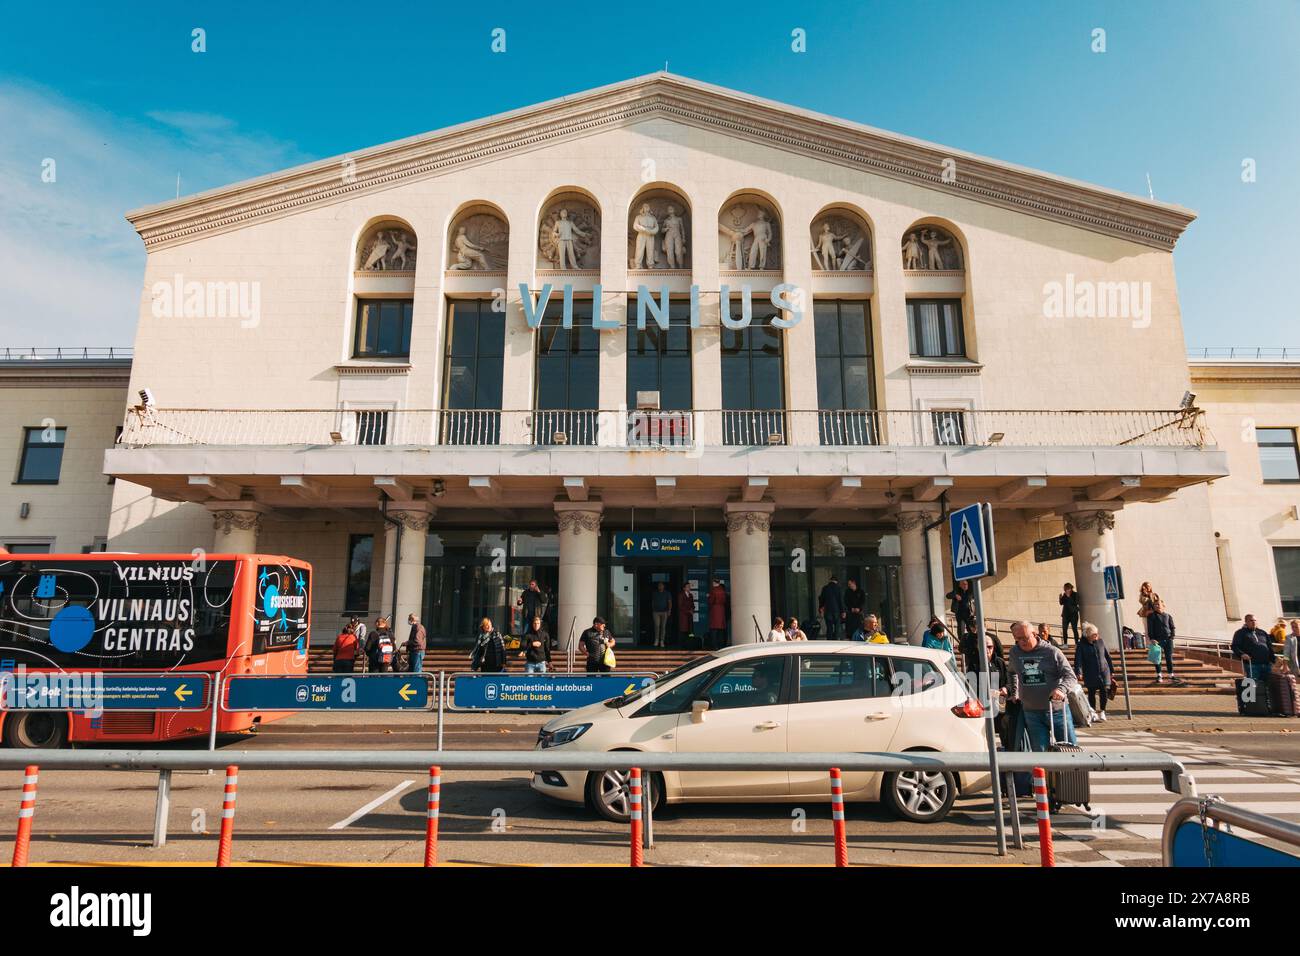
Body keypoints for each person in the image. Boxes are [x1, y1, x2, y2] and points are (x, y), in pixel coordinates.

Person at [1008, 620, 1078, 750]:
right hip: (1031, 712)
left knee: (1070, 751)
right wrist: (1014, 692)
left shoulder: (1052, 652)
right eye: (1018, 639)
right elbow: (1012, 672)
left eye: (1025, 638)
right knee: (1040, 754)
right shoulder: (1014, 653)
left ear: (1034, 634)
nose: (1022, 642)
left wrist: (1061, 689)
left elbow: (1071, 676)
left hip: (1057, 711)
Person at [1073, 622, 1115, 721]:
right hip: (1090, 672)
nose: (1097, 636)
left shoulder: (1101, 642)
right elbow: (1078, 660)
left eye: (1097, 634)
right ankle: (1093, 712)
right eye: (1094, 634)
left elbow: (1107, 656)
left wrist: (1112, 670)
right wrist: (1079, 672)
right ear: (1088, 635)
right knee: (1091, 693)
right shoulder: (1081, 645)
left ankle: (1102, 711)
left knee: (1104, 691)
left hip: (1104, 671)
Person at [1232, 613, 1277, 686]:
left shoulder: (1262, 632)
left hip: (1266, 664)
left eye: (1255, 620)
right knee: (1254, 687)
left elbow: (1269, 647)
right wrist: (1242, 654)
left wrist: (1274, 660)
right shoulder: (1240, 633)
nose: (1254, 622)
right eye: (1251, 620)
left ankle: (1267, 698)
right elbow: (1235, 646)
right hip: (1252, 665)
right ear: (1246, 622)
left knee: (1268, 686)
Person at [1146, 598, 1182, 685]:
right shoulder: (1151, 616)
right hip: (1157, 641)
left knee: (1169, 658)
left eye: (1159, 604)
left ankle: (1171, 675)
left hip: (1168, 640)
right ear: (1154, 607)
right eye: (1155, 605)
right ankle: (1159, 675)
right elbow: (1150, 629)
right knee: (1157, 659)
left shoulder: (1168, 616)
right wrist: (1152, 638)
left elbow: (1172, 627)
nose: (1157, 606)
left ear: (1163, 606)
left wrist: (1172, 637)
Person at [819, 575, 845, 640]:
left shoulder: (825, 588)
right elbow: (841, 601)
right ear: (836, 581)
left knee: (829, 627)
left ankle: (829, 640)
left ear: (830, 580)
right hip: (837, 611)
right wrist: (843, 611)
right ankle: (836, 640)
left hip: (828, 611)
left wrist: (821, 609)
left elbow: (821, 599)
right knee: (837, 627)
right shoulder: (839, 588)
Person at [707, 579, 729, 650]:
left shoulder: (713, 590)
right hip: (721, 611)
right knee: (721, 630)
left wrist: (708, 597)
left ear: (714, 583)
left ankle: (714, 646)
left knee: (714, 630)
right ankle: (721, 646)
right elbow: (724, 600)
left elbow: (711, 601)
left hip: (715, 610)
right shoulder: (722, 591)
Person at [651, 581, 672, 647]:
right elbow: (652, 602)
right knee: (657, 626)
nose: (660, 586)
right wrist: (653, 609)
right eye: (659, 585)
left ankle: (662, 641)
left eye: (661, 585)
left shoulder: (667, 593)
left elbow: (670, 602)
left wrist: (669, 610)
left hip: (664, 612)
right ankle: (656, 640)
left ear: (663, 586)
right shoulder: (655, 593)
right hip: (656, 612)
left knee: (663, 627)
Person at [676, 581, 696, 647]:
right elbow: (680, 606)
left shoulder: (691, 595)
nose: (689, 588)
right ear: (684, 588)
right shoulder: (681, 595)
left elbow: (693, 605)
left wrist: (692, 610)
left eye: (690, 586)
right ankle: (683, 645)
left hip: (690, 616)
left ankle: (690, 644)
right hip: (684, 616)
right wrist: (688, 611)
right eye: (688, 587)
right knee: (683, 630)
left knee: (690, 631)